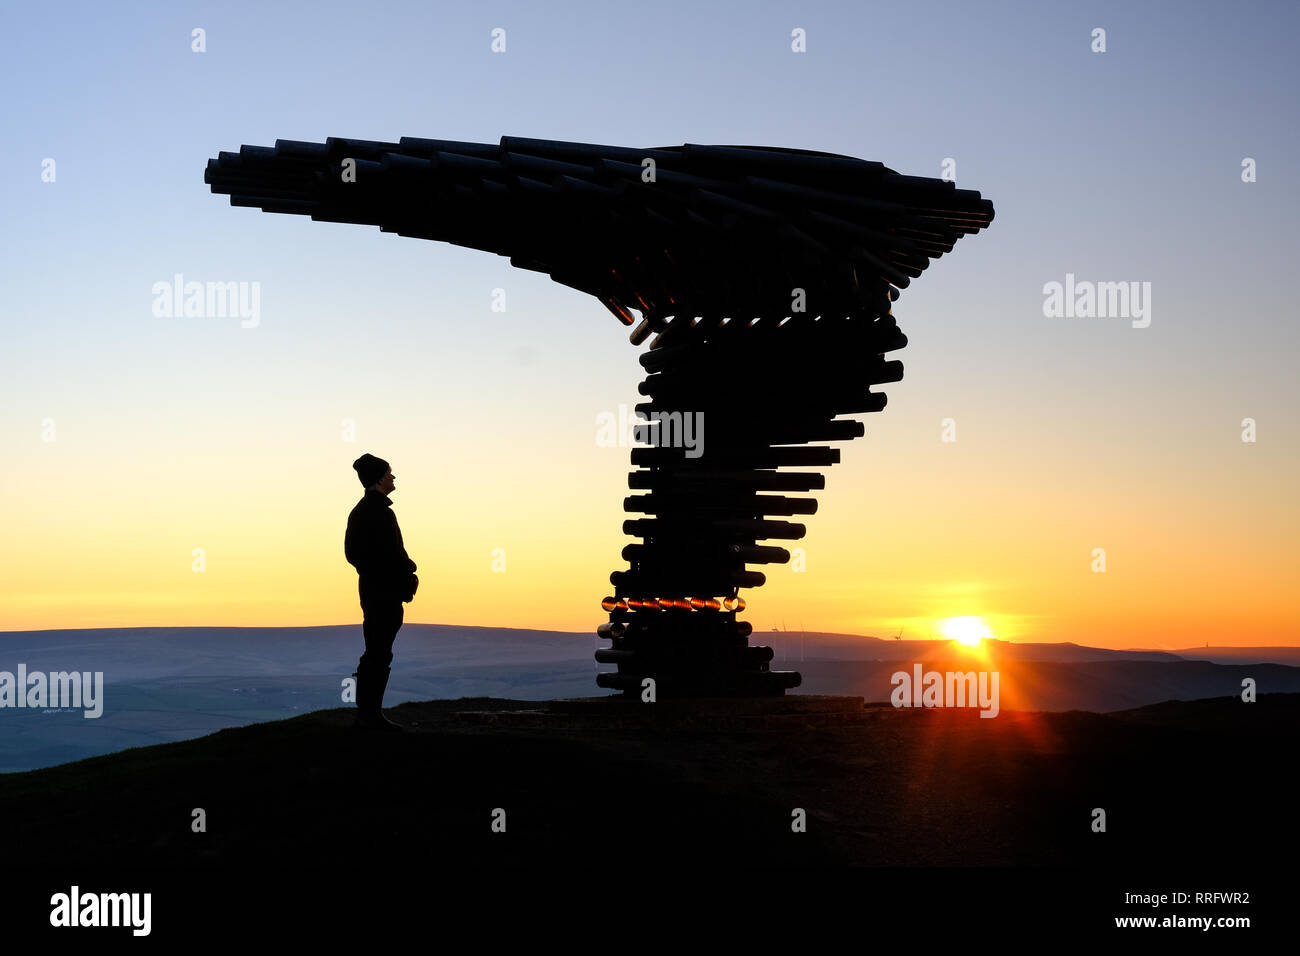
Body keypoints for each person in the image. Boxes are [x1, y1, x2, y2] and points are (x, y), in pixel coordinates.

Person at [344, 453, 418, 731]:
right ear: (378, 479)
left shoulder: (367, 511)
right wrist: (401, 574)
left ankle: (369, 714)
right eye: (389, 473)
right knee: (378, 651)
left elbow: (358, 555)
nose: (393, 477)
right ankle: (370, 716)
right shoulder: (375, 512)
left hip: (378, 590)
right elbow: (374, 555)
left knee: (378, 650)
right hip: (381, 593)